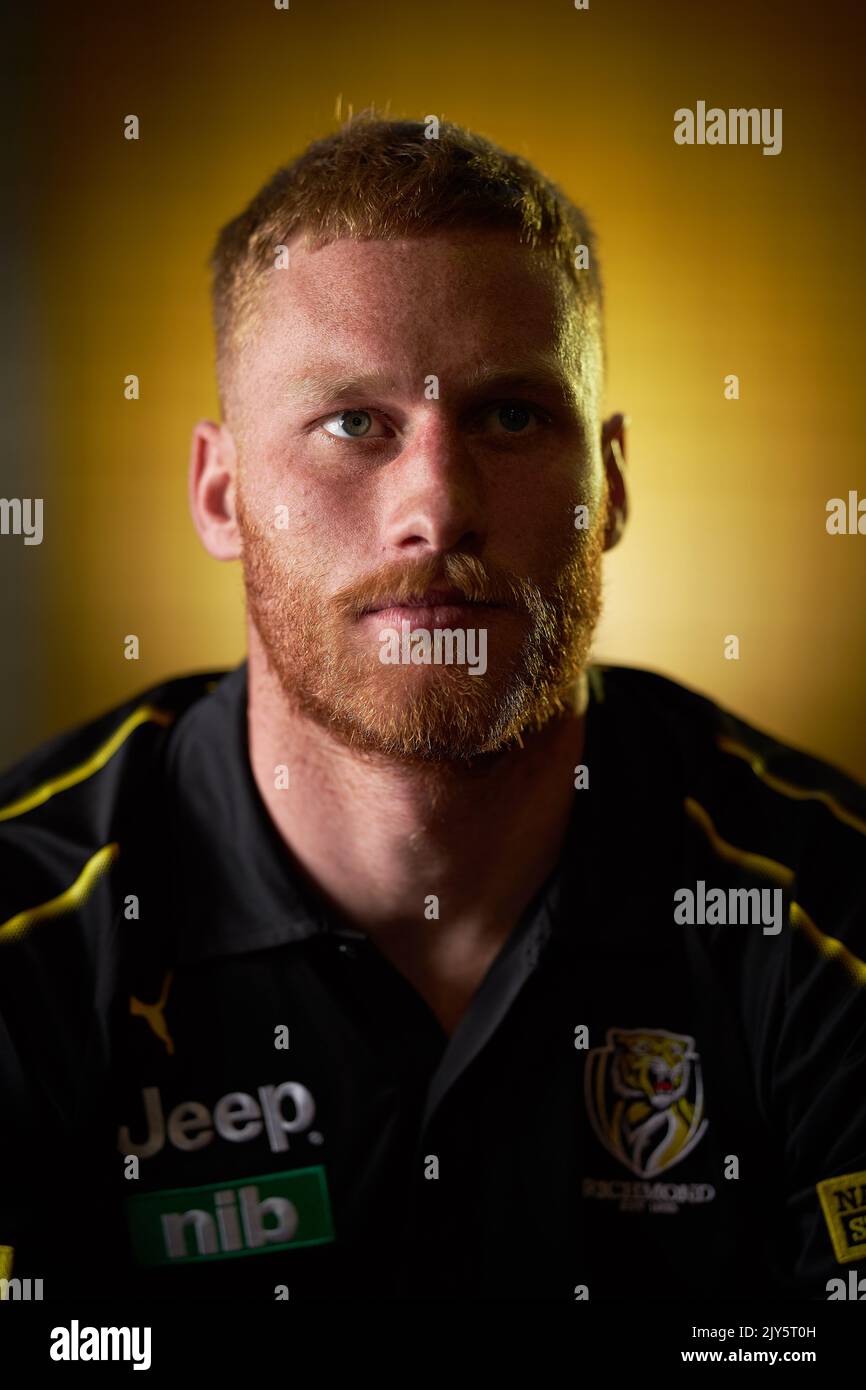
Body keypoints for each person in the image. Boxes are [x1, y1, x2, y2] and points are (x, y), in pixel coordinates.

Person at [1, 116, 864, 1303]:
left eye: (510, 415)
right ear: (220, 493)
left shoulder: (823, 908)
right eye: (354, 422)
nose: (437, 507)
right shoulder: (27, 934)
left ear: (605, 489)